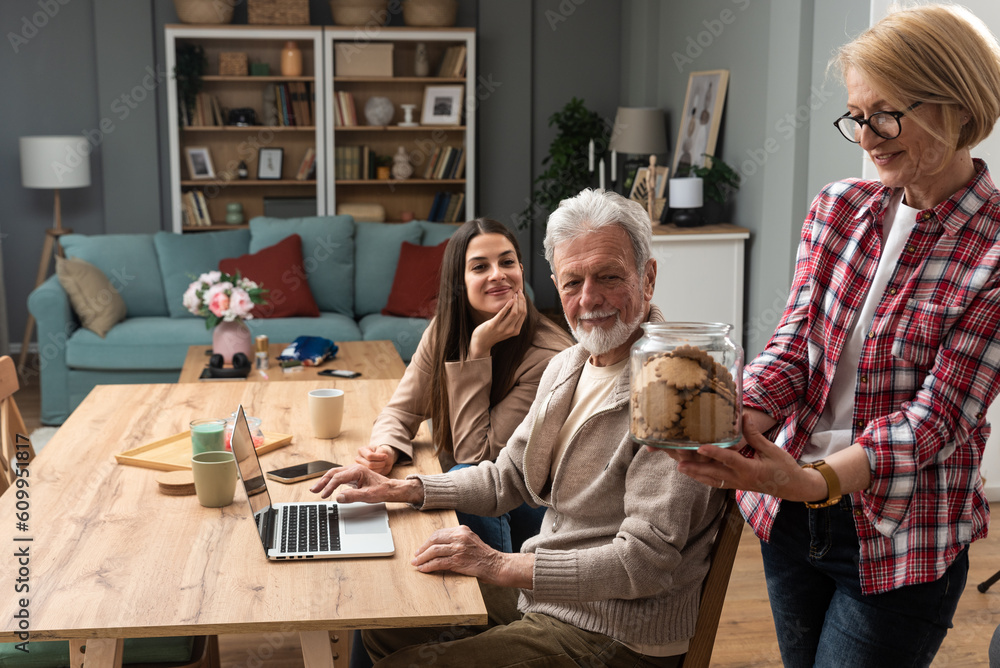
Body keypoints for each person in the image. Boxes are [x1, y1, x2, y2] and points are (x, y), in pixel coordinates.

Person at [670, 5, 1000, 667]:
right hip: (790, 522)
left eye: (885, 114)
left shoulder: (993, 251)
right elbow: (796, 347)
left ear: (957, 106)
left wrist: (812, 479)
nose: (866, 136)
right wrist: (727, 420)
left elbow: (936, 420)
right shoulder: (838, 208)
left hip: (900, 538)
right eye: (856, 114)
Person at [313, 189, 727, 667]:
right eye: (572, 282)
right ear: (553, 283)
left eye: (609, 276)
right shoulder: (569, 366)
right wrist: (402, 487)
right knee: (387, 619)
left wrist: (499, 564)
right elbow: (505, 476)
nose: (589, 299)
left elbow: (645, 563)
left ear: (648, 276)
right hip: (548, 598)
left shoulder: (682, 387)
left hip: (616, 634)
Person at [357, 217, 573, 553]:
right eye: (479, 267)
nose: (497, 274)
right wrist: (386, 448)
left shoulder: (548, 355)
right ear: (459, 281)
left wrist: (478, 351)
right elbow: (401, 409)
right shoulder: (444, 330)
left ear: (521, 270)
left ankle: (494, 600)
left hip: (533, 510)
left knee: (461, 475)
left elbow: (477, 460)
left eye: (507, 262)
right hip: (476, 495)